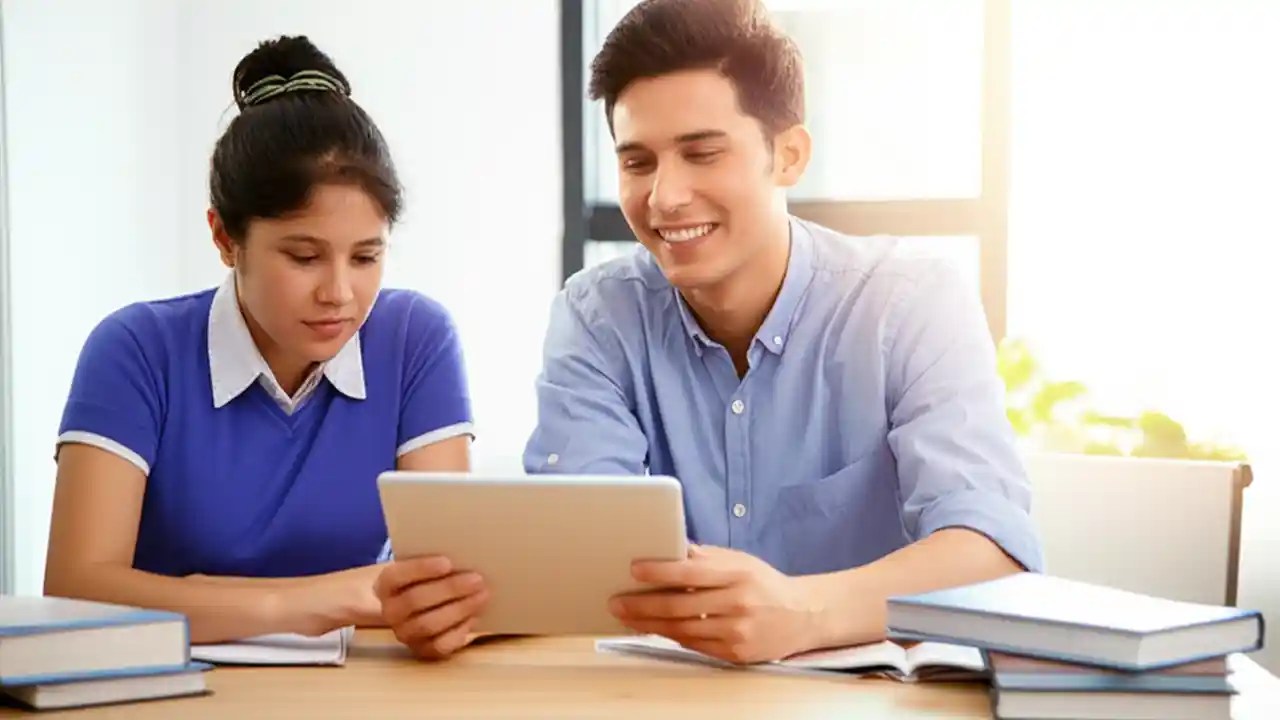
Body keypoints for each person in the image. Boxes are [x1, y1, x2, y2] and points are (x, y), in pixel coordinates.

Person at [379, 0, 1042, 663]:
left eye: (701, 153)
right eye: (638, 163)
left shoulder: (909, 304)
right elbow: (586, 563)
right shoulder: (598, 317)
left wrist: (803, 612)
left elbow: (993, 555)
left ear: (789, 155)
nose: (665, 197)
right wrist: (470, 606)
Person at [43, 35, 483, 645]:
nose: (340, 293)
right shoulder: (135, 351)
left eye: (366, 256)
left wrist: (206, 597)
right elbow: (76, 593)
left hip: (359, 694)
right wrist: (325, 600)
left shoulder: (415, 340)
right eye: (304, 256)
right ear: (225, 238)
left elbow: (441, 588)